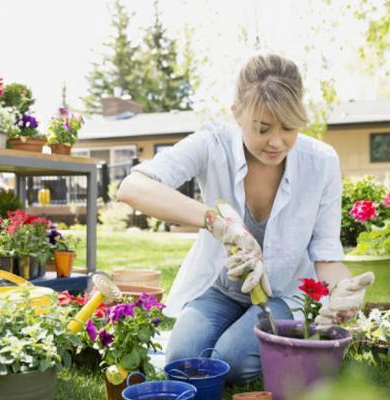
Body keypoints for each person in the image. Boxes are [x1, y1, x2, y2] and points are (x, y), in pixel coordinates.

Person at [116, 54, 373, 384]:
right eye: (263, 128)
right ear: (237, 112)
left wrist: (343, 289)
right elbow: (132, 187)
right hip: (221, 290)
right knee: (182, 362)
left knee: (233, 364)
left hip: (283, 293)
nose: (277, 141)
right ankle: (254, 338)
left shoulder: (320, 162)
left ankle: (249, 342)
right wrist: (216, 222)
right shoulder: (212, 145)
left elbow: (326, 254)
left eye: (289, 127)